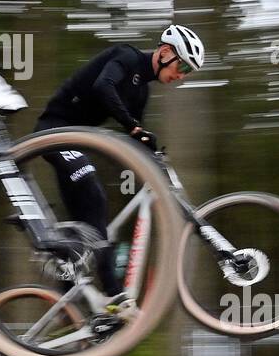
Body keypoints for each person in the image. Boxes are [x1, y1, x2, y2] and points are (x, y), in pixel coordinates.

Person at [34, 24, 205, 294]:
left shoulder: (141, 92)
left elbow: (138, 138)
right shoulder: (127, 57)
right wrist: (131, 124)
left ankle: (71, 304)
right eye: (182, 67)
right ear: (164, 53)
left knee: (92, 224)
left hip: (74, 143)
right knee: (93, 190)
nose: (181, 77)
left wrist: (157, 160)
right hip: (54, 131)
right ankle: (114, 293)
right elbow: (104, 86)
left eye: (187, 73)